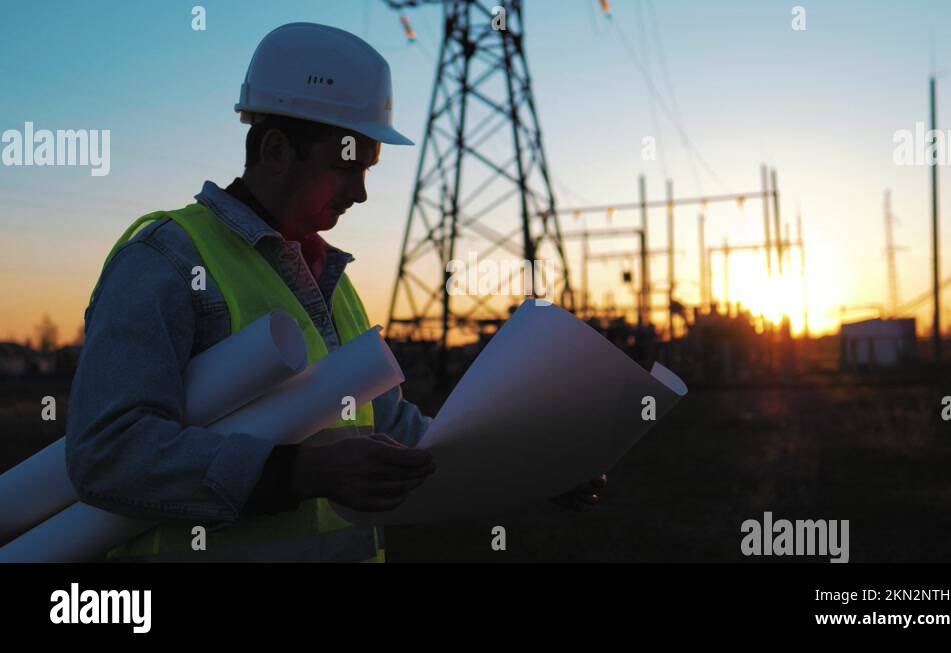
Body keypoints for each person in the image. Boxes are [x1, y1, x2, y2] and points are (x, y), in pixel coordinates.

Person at [66, 22, 602, 563]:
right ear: (276, 149)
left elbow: (391, 429)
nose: (362, 193)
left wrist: (532, 468)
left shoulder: (329, 281)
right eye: (348, 165)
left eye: (368, 169)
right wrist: (301, 473)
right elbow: (108, 452)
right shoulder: (165, 260)